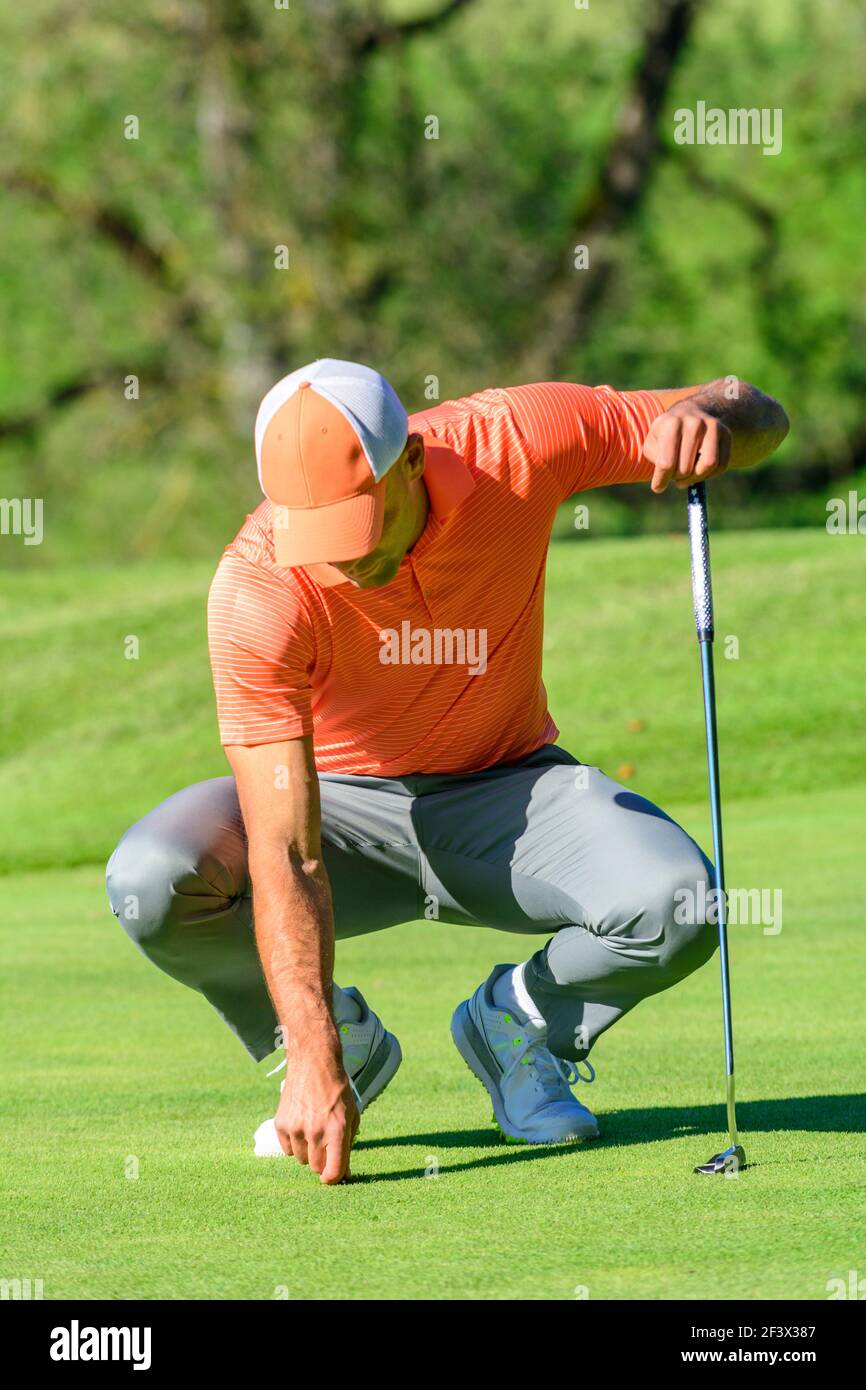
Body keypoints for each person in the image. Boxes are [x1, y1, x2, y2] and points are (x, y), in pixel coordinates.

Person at [106, 359, 788, 1184]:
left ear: (413, 465)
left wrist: (712, 415)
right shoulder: (257, 587)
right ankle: (333, 1042)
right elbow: (287, 848)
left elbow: (754, 411)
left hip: (509, 794)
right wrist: (313, 1050)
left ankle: (520, 1025)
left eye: (356, 529)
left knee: (680, 902)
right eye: (314, 533)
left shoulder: (514, 441)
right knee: (152, 879)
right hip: (341, 814)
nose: (339, 564)